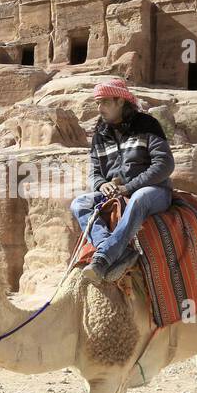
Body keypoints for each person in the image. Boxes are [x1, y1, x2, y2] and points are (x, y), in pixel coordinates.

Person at [69, 78, 175, 282]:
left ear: (121, 102)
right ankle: (109, 247)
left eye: (105, 102)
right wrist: (101, 184)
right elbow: (94, 171)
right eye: (97, 103)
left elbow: (164, 165)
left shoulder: (147, 125)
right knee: (78, 203)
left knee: (140, 198)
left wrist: (129, 187)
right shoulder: (100, 133)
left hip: (153, 191)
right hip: (115, 191)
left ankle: (104, 257)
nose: (99, 108)